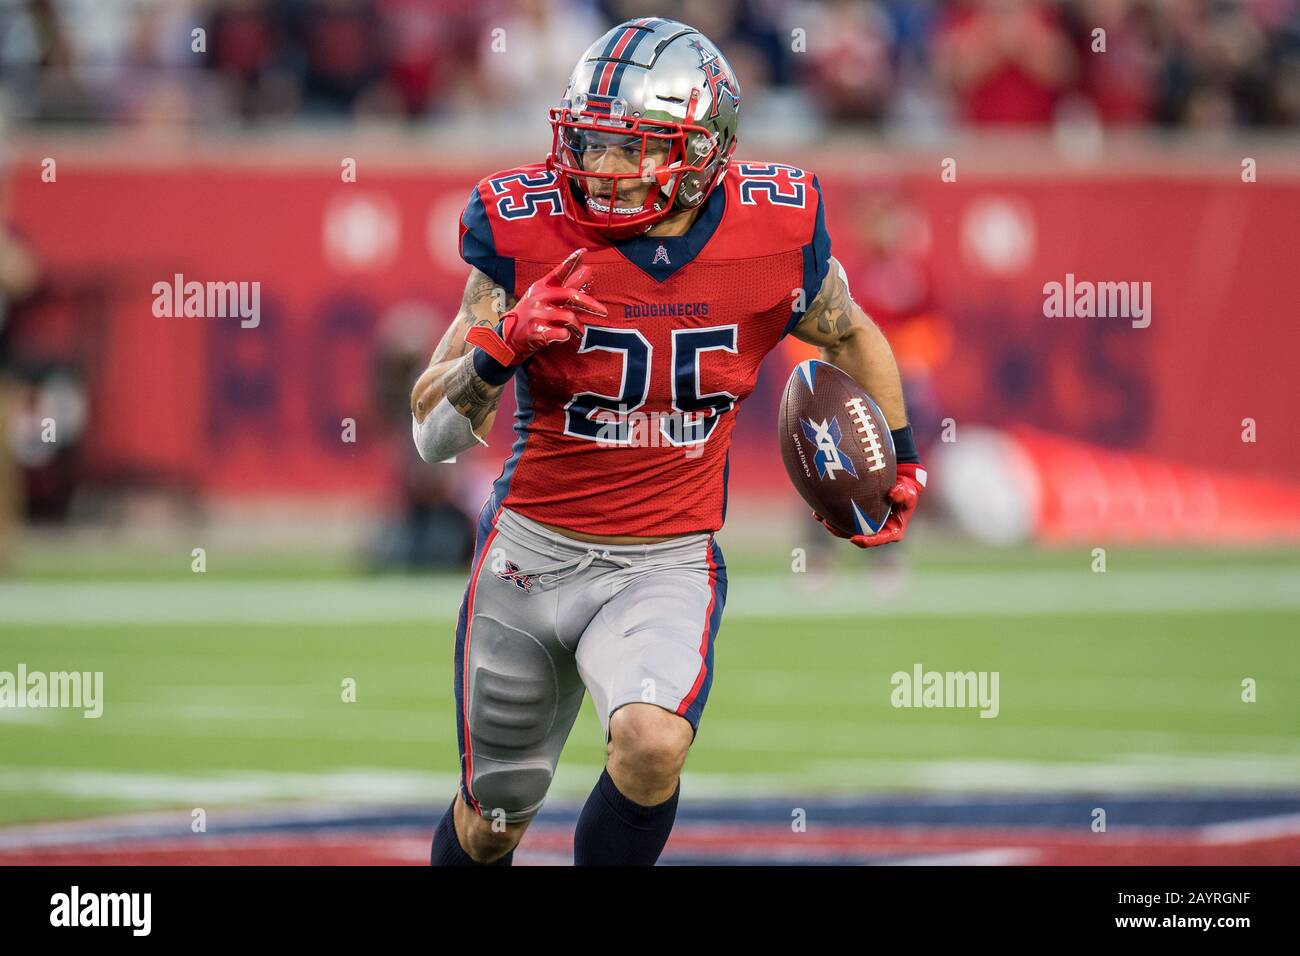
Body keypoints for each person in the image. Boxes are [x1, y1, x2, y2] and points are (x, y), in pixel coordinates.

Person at [410, 17, 926, 866]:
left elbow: (851, 336)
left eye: (632, 148)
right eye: (592, 142)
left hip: (666, 559)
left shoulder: (771, 231)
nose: (600, 169)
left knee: (652, 745)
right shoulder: (528, 232)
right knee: (493, 819)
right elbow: (430, 433)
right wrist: (497, 346)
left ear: (706, 151)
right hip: (529, 556)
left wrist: (897, 458)